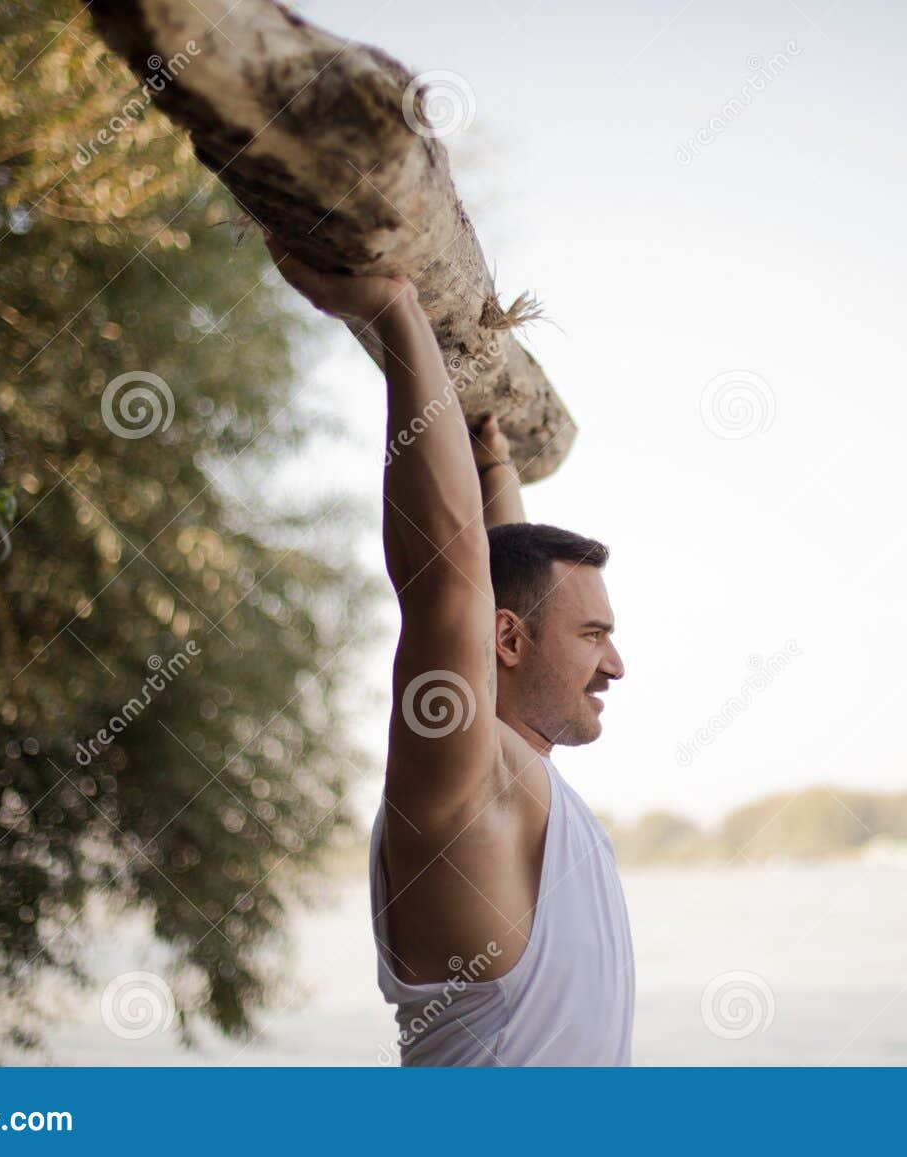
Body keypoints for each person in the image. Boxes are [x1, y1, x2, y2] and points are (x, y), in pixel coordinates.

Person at [266, 239, 635, 1065]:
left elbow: (497, 583)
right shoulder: (468, 787)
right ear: (505, 640)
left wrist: (491, 460)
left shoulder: (519, 786)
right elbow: (451, 585)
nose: (615, 667)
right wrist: (398, 317)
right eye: (594, 636)